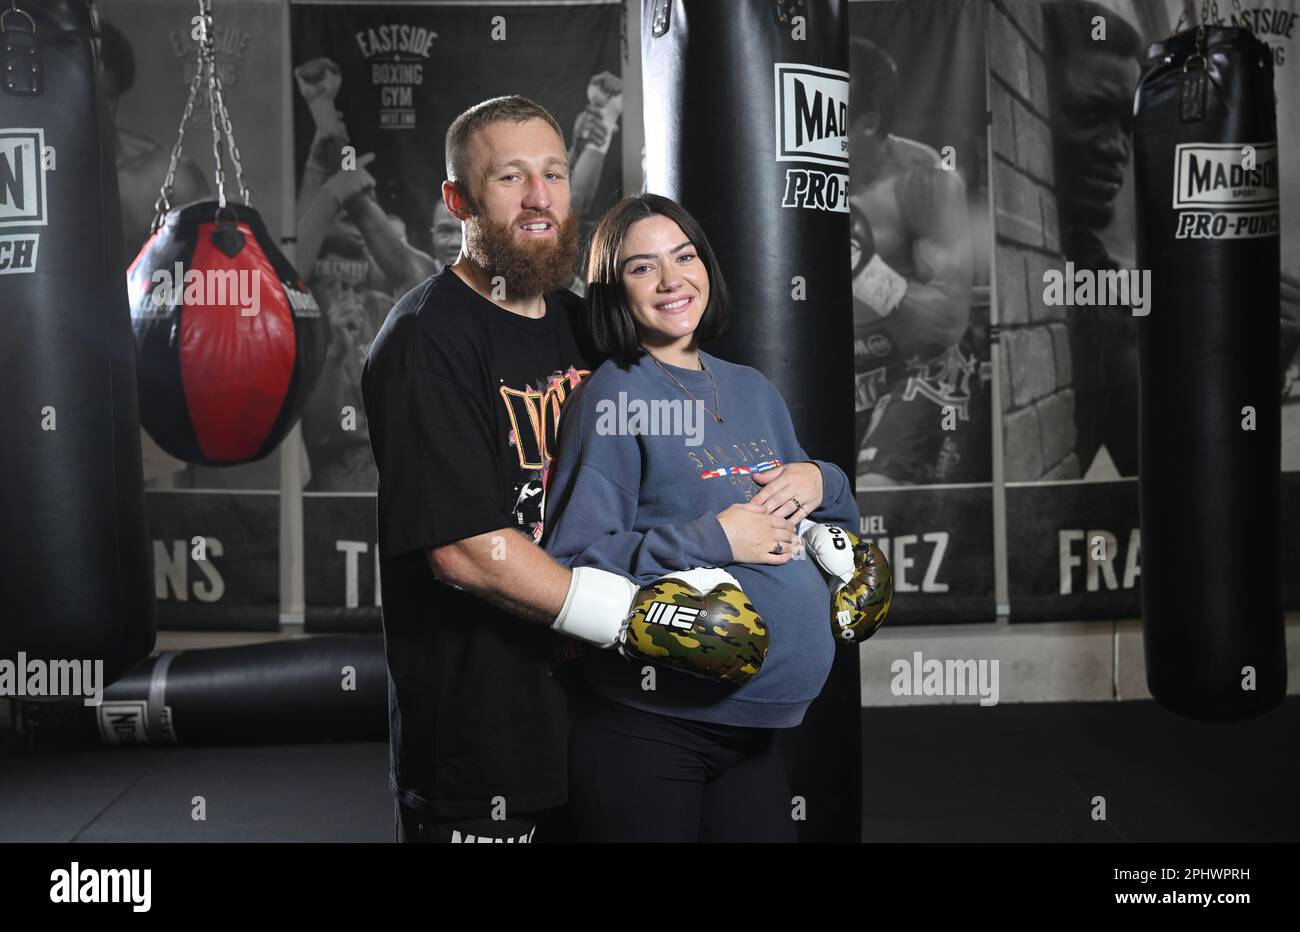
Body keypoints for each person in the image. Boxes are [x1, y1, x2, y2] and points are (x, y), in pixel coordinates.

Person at [361, 97, 740, 844]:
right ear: (458, 200)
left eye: (554, 174)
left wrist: (808, 487)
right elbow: (467, 549)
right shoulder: (424, 339)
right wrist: (636, 619)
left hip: (608, 717)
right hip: (487, 734)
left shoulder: (586, 323)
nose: (540, 198)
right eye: (510, 178)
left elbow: (669, 457)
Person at [540, 193, 870, 842]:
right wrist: (714, 537)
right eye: (642, 267)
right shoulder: (614, 398)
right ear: (613, 290)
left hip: (755, 739)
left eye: (684, 256)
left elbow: (833, 528)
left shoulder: (752, 389)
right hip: (650, 732)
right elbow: (570, 565)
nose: (671, 280)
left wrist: (822, 478)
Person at [846, 38, 979, 488]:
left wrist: (865, 273)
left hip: (914, 365)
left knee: (873, 497)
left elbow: (947, 319)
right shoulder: (784, 173)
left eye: (828, 122)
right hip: (832, 369)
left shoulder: (923, 181)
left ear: (867, 124)